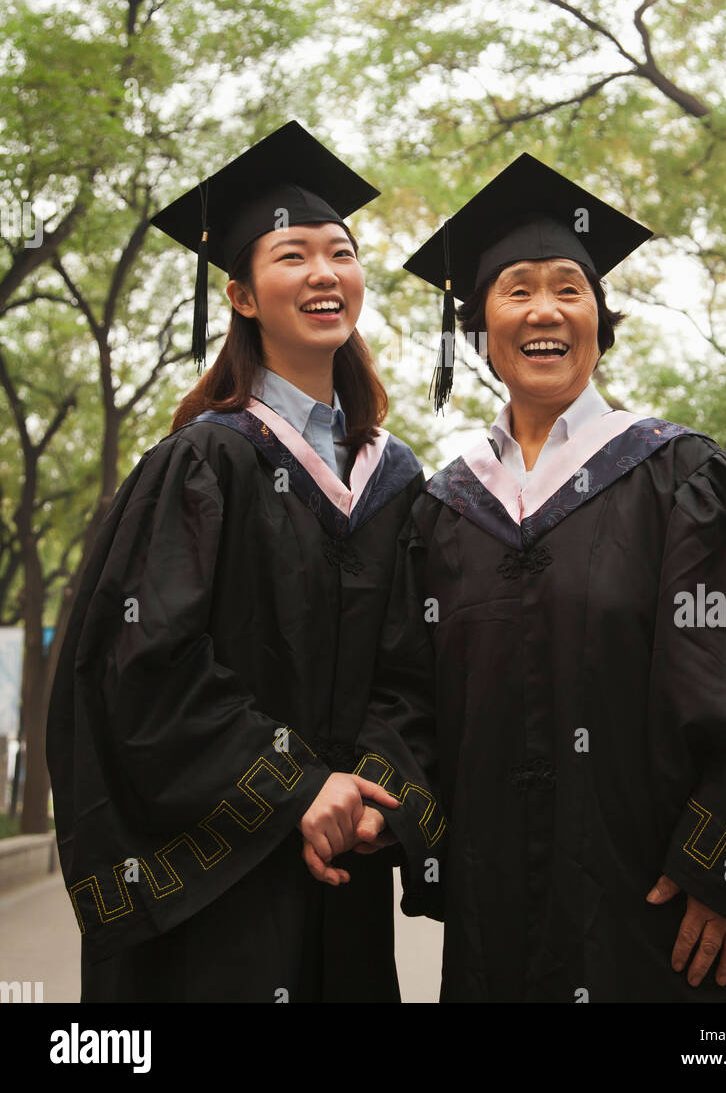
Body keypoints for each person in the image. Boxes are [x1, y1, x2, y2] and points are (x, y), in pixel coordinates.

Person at [401, 150, 726, 1003]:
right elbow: (414, 703)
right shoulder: (443, 512)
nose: (546, 309)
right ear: (479, 331)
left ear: (601, 324)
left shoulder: (683, 480)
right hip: (498, 920)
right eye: (518, 289)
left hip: (664, 925)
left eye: (569, 289)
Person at [47, 119, 444, 1003]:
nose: (322, 273)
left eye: (339, 253)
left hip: (348, 872)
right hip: (221, 876)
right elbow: (144, 667)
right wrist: (297, 790)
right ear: (240, 296)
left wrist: (372, 793)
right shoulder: (205, 462)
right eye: (291, 256)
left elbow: (415, 669)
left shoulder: (396, 479)